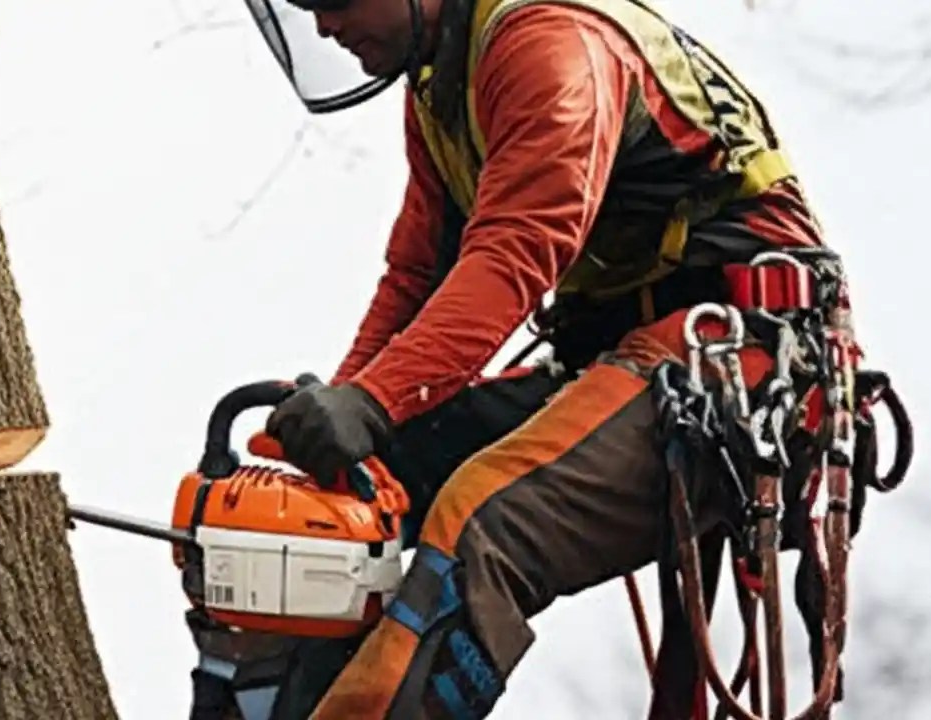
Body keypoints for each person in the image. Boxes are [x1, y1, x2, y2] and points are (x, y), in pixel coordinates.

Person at [236, 0, 838, 717]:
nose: (325, 25)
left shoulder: (549, 47)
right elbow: (418, 275)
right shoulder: (441, 82)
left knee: (481, 519)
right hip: (614, 360)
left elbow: (514, 254)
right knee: (337, 507)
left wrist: (370, 402)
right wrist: (346, 415)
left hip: (739, 363)